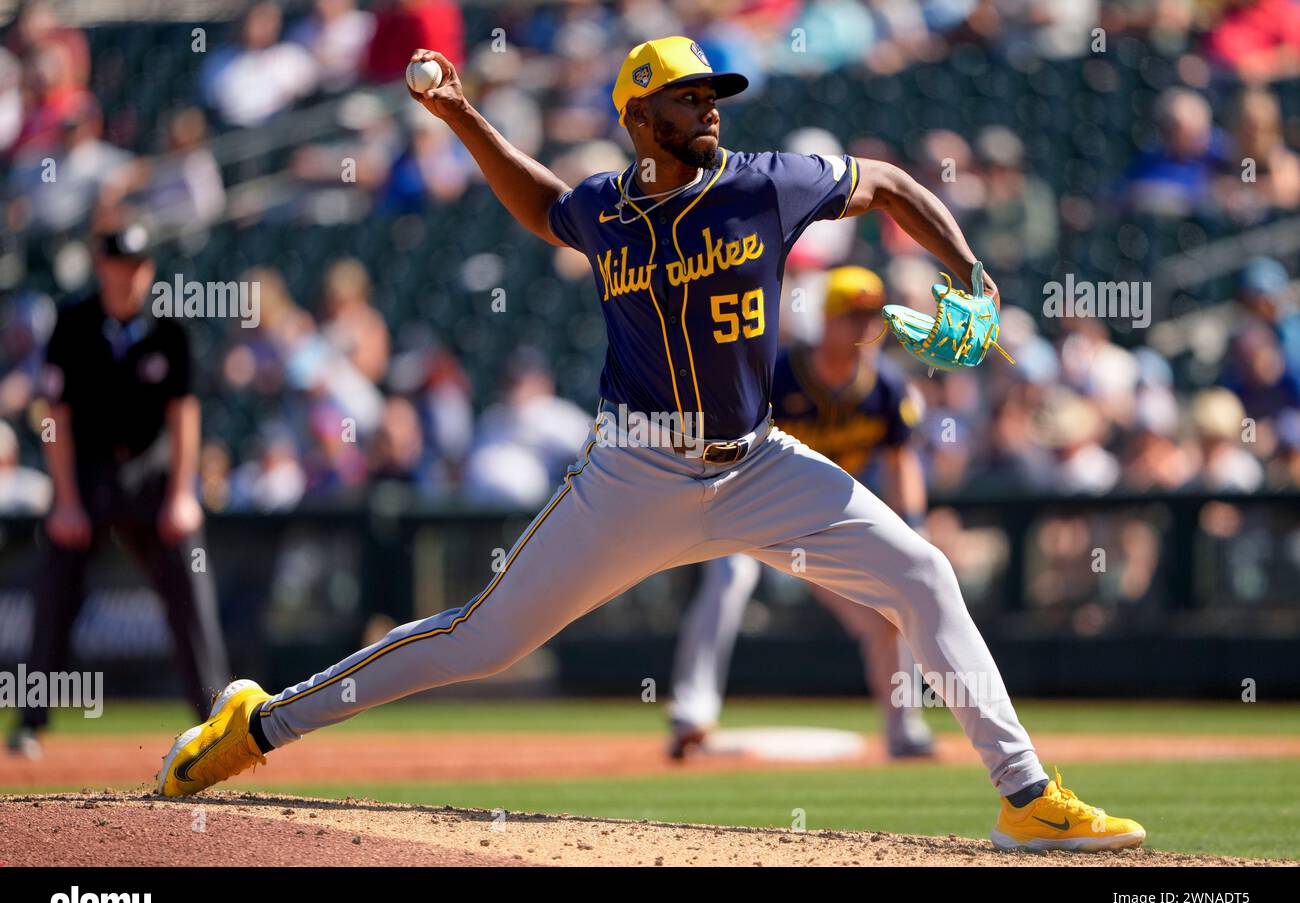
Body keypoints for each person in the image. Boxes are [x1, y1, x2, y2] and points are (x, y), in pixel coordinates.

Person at [158, 37, 1145, 852]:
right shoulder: (605, 205)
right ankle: (260, 721)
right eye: (686, 96)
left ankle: (1023, 792)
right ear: (640, 118)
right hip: (633, 472)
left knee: (923, 572)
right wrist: (464, 121)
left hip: (758, 463)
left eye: (713, 91)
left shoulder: (763, 186)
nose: (710, 106)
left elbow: (884, 181)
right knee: (480, 639)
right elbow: (542, 204)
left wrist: (970, 270)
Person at [667, 266, 935, 760]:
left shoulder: (887, 388)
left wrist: (913, 526)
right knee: (729, 580)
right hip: (749, 512)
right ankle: (691, 713)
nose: (863, 329)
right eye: (851, 317)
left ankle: (903, 731)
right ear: (826, 321)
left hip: (819, 526)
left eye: (871, 318)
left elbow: (902, 461)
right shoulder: (781, 375)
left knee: (888, 609)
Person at [9, 219, 230, 759]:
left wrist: (183, 493)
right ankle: (30, 724)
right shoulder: (73, 323)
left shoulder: (171, 328)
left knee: (188, 583)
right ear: (101, 267)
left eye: (137, 267)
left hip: (152, 475)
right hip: (86, 475)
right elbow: (54, 417)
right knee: (55, 586)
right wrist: (64, 500)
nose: (127, 277)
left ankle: (219, 722)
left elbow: (183, 416)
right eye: (117, 265)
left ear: (148, 270)